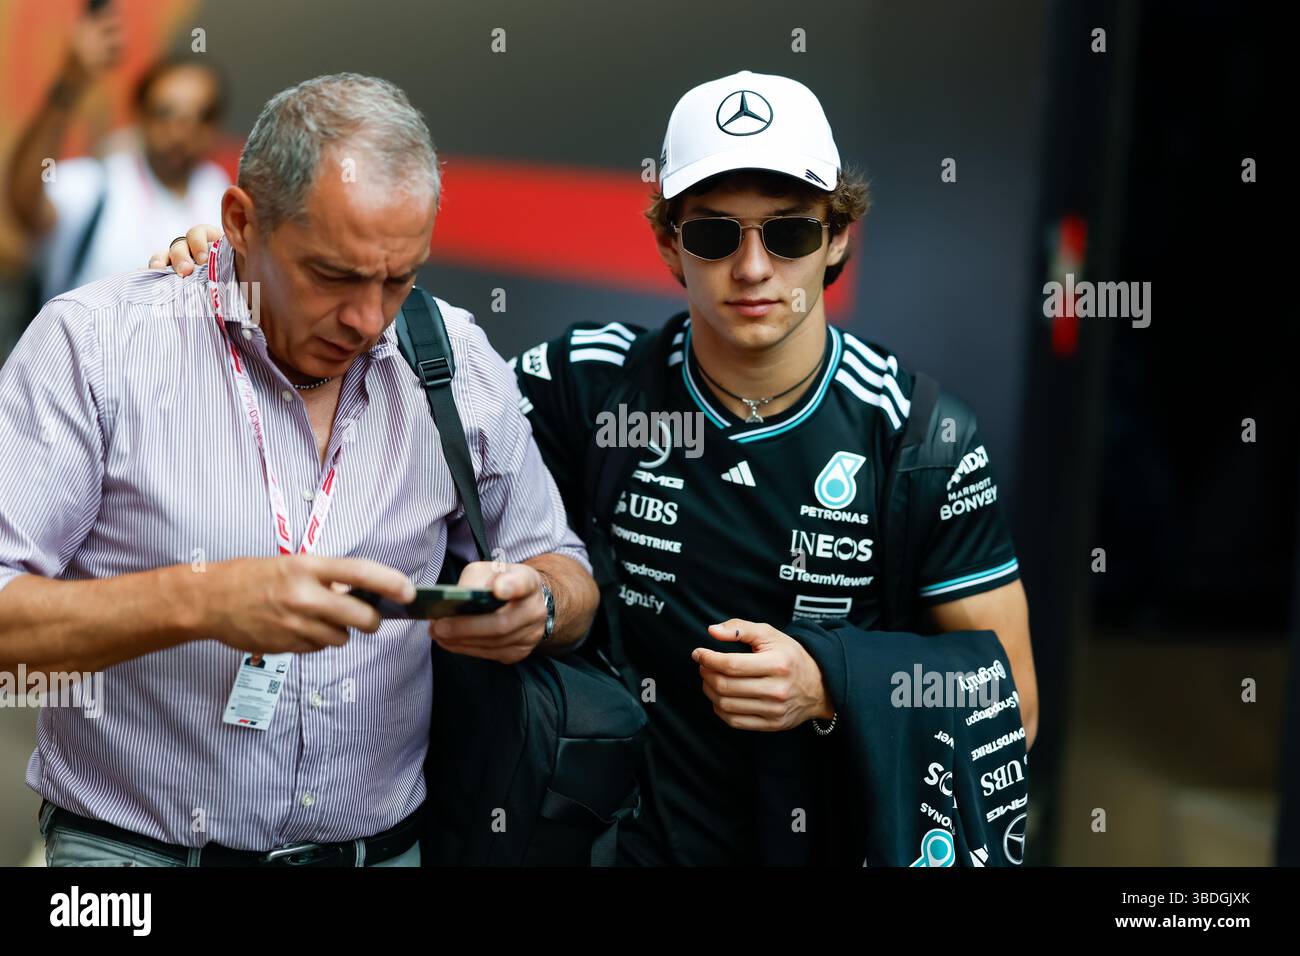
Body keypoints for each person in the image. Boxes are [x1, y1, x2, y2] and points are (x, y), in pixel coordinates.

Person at [154, 70, 1039, 867]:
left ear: (839, 239)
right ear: (668, 244)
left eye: (793, 231)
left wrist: (829, 682)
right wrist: (241, 268)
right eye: (716, 233)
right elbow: (387, 378)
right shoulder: (588, 381)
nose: (754, 266)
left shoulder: (919, 437)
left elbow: (1015, 703)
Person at [0, 73, 596, 868]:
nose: (368, 319)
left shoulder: (452, 360)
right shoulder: (97, 347)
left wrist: (541, 603)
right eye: (335, 276)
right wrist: (202, 599)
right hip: (133, 860)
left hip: (382, 852)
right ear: (241, 221)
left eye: (400, 277)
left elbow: (565, 566)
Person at [4, 3, 230, 303]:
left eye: (200, 117)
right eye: (165, 113)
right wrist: (70, 82)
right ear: (139, 117)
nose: (180, 132)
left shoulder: (217, 192)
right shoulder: (98, 185)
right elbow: (24, 202)